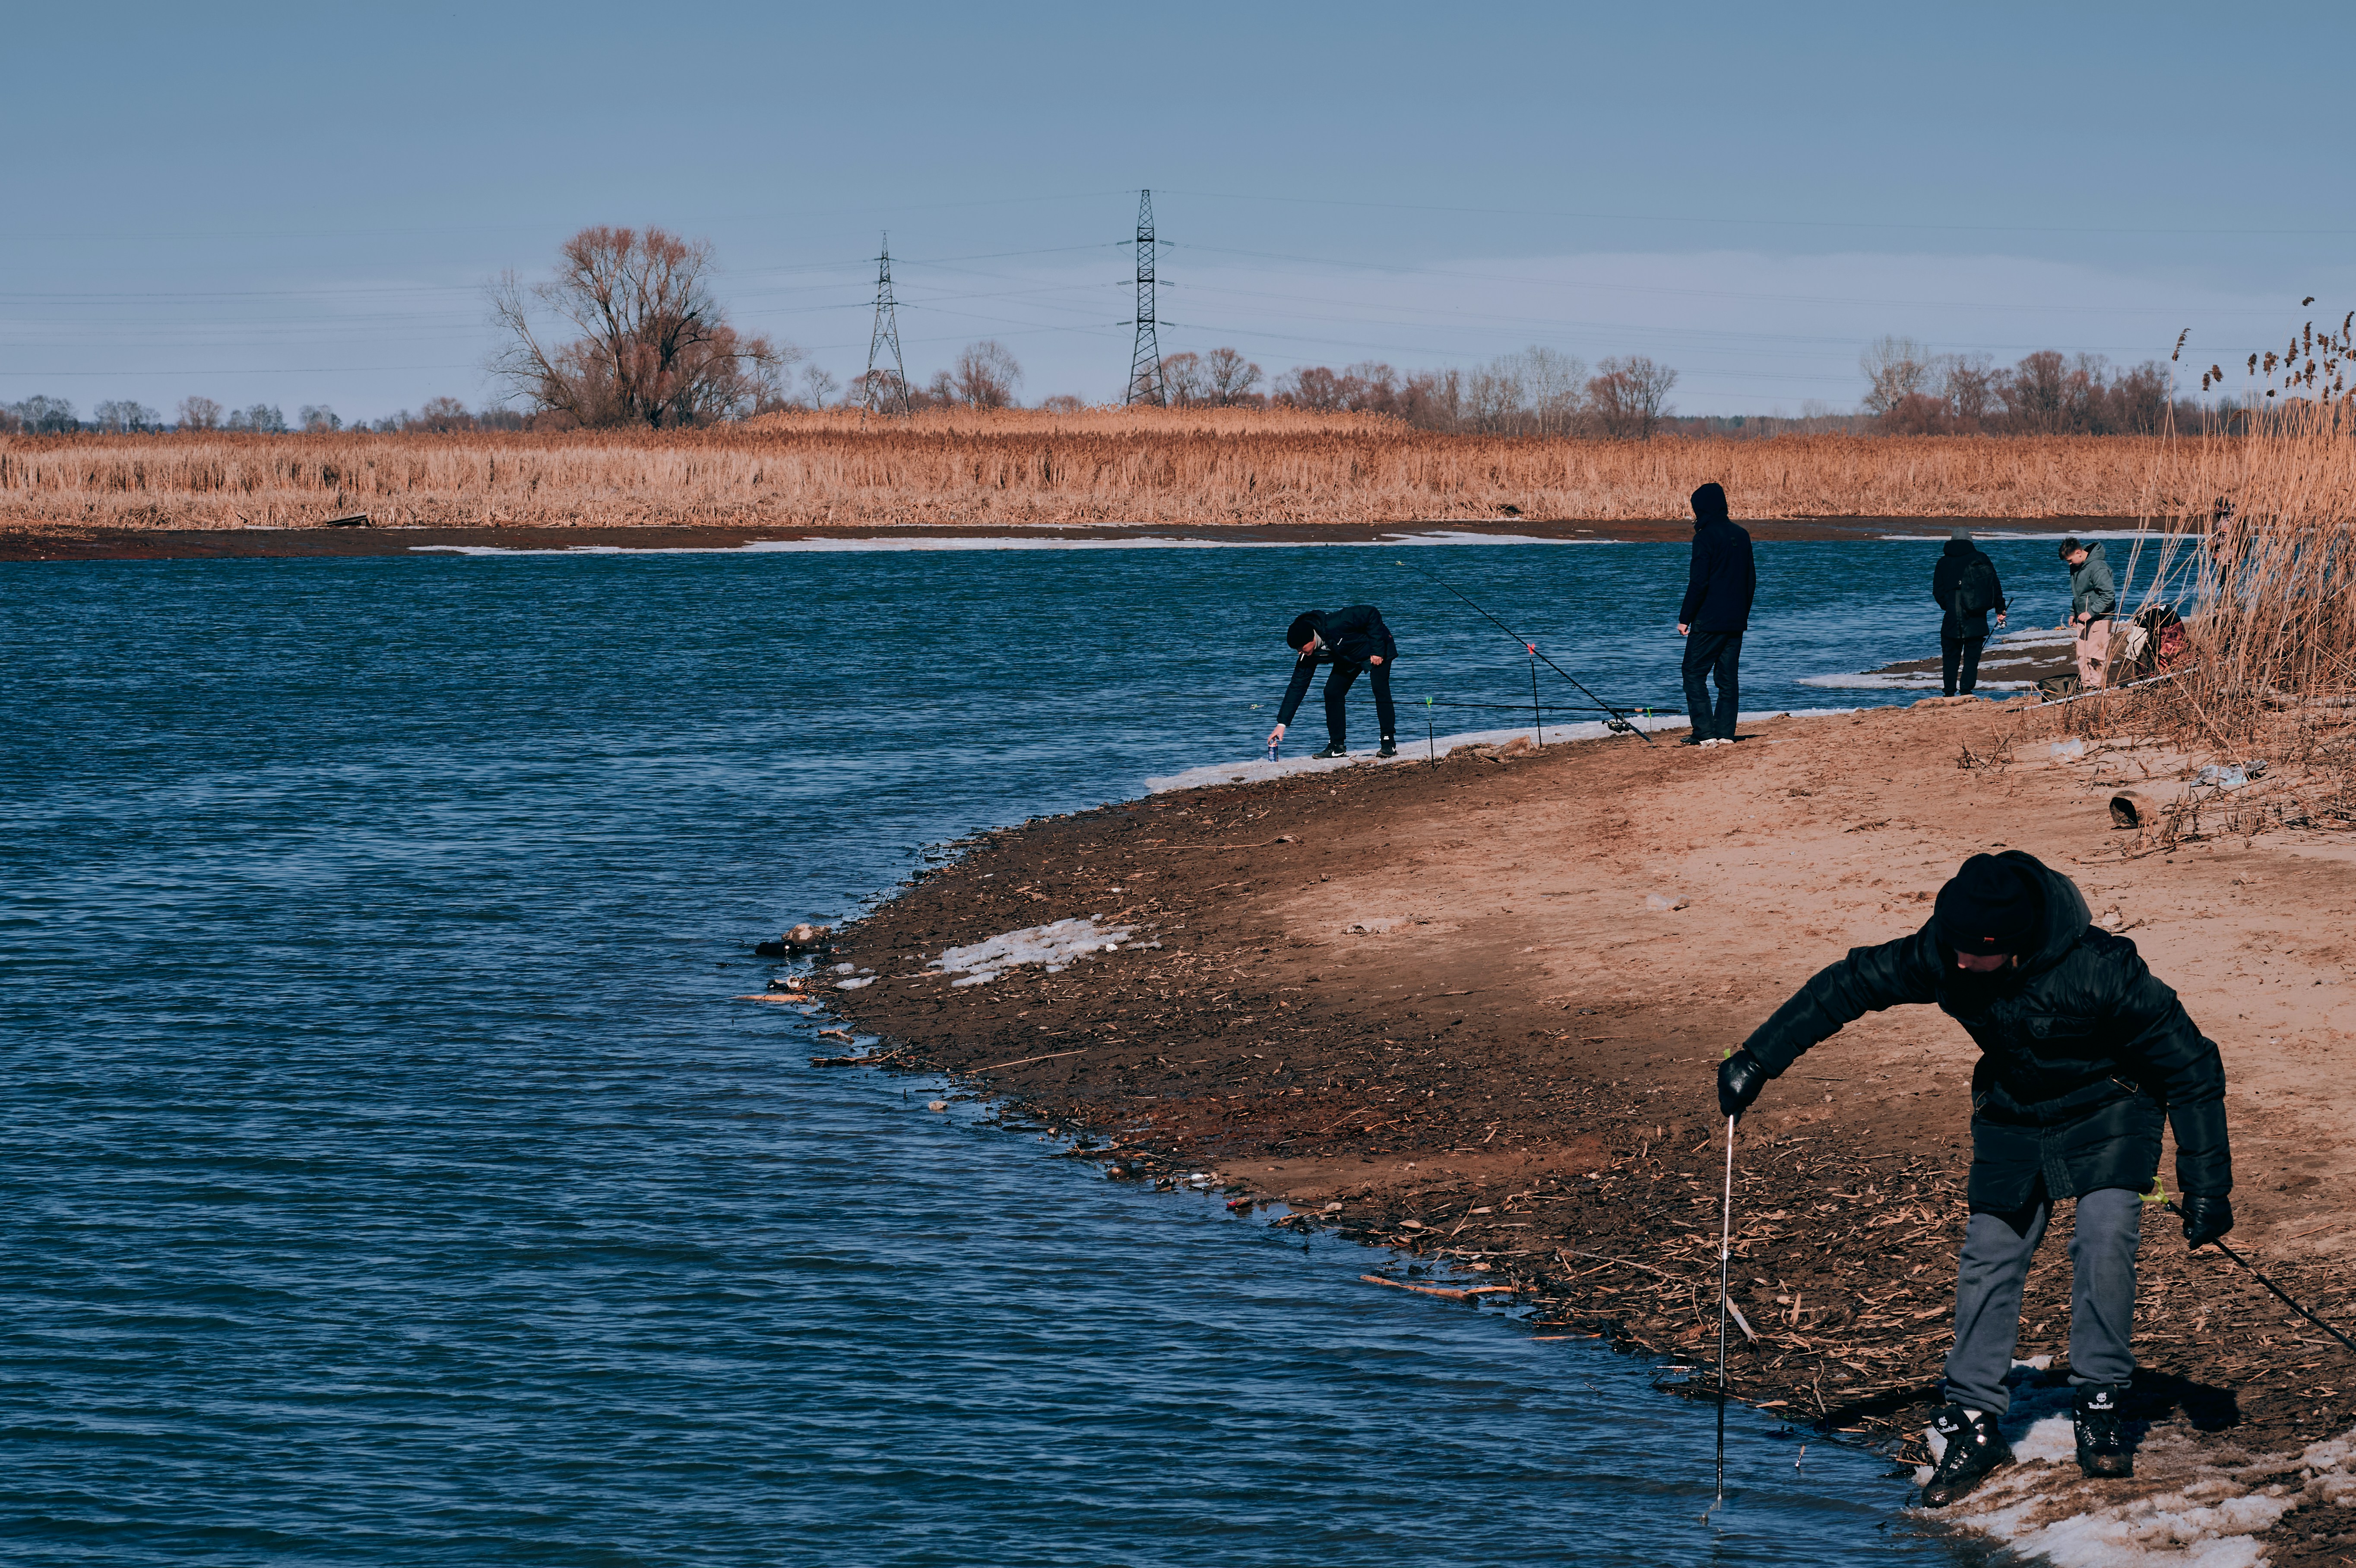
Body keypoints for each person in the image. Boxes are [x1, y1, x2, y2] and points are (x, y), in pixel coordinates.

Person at [1716, 852, 2232, 1508]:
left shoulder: (2102, 970)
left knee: (2105, 1234)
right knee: (1991, 1254)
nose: (1958, 964)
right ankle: (1975, 1422)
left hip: (2111, 1105)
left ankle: (2099, 1400)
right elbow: (1847, 985)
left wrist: (2208, 1185)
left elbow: (2192, 1065)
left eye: (1974, 955)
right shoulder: (1944, 951)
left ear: (2014, 949)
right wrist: (1757, 1059)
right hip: (2013, 1112)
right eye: (1953, 947)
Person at [1677, 482, 1756, 747]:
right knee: (1727, 678)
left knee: (1693, 672)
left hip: (1708, 620)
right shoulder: (1742, 534)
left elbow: (1699, 583)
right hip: (1735, 621)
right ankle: (1725, 733)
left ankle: (1705, 733)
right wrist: (1742, 613)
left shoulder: (1704, 537)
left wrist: (1684, 618)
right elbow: (1751, 580)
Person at [1266, 605, 1398, 759]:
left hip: (1377, 646)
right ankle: (1337, 746)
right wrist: (1282, 724)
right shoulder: (1308, 655)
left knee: (1379, 688)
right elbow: (1297, 686)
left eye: (1301, 648)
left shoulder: (1337, 623)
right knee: (1332, 692)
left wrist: (1377, 650)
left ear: (1312, 639)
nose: (1299, 653)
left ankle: (1388, 742)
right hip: (1348, 656)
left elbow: (1371, 613)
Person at [1931, 529, 2009, 696]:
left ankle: (1949, 694)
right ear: (1970, 542)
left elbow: (1937, 591)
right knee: (1972, 659)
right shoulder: (1980, 558)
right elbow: (1994, 585)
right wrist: (2000, 609)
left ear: (1951, 542)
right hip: (1976, 616)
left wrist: (1949, 606)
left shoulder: (1943, 562)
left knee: (1950, 658)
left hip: (1952, 617)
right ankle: (1966, 692)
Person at [2061, 537, 2117, 689]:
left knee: (2096, 655)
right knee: (2082, 654)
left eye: (2071, 560)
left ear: (2079, 553)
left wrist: (2091, 612)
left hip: (2101, 618)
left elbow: (2109, 595)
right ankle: (2086, 685)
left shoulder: (2098, 567)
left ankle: (2096, 685)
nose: (2070, 564)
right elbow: (2079, 594)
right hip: (2083, 618)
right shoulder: (2077, 567)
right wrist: (2074, 612)